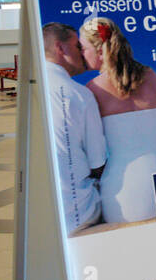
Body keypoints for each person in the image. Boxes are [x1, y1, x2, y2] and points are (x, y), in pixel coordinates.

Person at [80, 16, 156, 224]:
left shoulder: (92, 90)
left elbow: (92, 154)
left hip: (121, 189)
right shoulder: (152, 76)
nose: (81, 53)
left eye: (83, 47)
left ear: (98, 51)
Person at [42, 22, 107, 233]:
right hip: (79, 211)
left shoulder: (35, 89)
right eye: (77, 46)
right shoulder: (79, 94)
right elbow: (97, 162)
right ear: (61, 48)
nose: (82, 53)